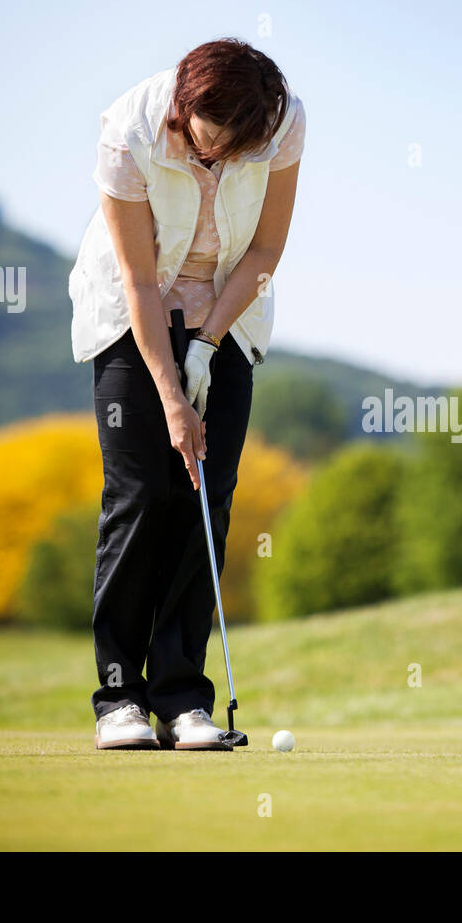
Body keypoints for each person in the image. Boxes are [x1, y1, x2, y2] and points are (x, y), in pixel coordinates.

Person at [68, 38, 306, 750]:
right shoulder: (128, 133)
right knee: (143, 495)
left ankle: (181, 700)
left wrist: (206, 346)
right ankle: (119, 699)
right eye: (209, 149)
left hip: (228, 313)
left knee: (206, 497)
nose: (221, 162)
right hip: (131, 315)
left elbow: (264, 250)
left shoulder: (285, 121)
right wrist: (172, 395)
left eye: (239, 152)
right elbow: (141, 284)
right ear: (183, 111)